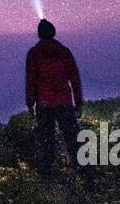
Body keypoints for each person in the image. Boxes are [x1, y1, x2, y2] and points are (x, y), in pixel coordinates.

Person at [25, 19, 93, 181]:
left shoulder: (34, 53)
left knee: (46, 140)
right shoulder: (64, 51)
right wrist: (79, 103)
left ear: (39, 33)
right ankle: (87, 176)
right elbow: (74, 78)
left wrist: (30, 104)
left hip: (44, 104)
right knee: (74, 140)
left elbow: (31, 80)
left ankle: (46, 176)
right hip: (65, 102)